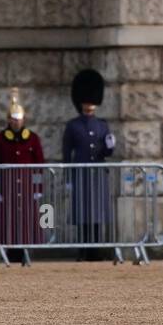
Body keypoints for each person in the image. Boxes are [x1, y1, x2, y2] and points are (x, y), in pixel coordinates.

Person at [0, 88, 45, 264]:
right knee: (8, 221)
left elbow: (40, 166)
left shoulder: (33, 138)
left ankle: (26, 253)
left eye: (19, 120)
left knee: (27, 220)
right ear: (8, 120)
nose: (16, 123)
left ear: (23, 120)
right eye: (13, 119)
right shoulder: (0, 139)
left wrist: (38, 188)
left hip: (26, 187)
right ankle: (8, 253)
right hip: (8, 187)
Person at [63, 69, 116, 260]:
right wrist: (68, 178)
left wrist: (110, 146)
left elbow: (106, 152)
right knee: (82, 212)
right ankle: (83, 249)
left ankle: (96, 251)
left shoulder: (102, 125)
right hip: (81, 173)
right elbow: (67, 153)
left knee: (97, 212)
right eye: (86, 100)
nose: (89, 103)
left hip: (98, 174)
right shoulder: (73, 125)